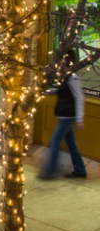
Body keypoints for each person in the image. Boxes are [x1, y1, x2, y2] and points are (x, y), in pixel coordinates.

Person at [39, 48, 87, 179]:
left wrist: (79, 118)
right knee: (71, 142)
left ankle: (50, 171)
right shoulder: (64, 75)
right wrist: (46, 92)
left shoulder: (73, 78)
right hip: (64, 114)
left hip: (67, 116)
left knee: (54, 141)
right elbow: (59, 90)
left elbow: (79, 97)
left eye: (61, 61)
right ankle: (80, 170)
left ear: (67, 61)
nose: (59, 63)